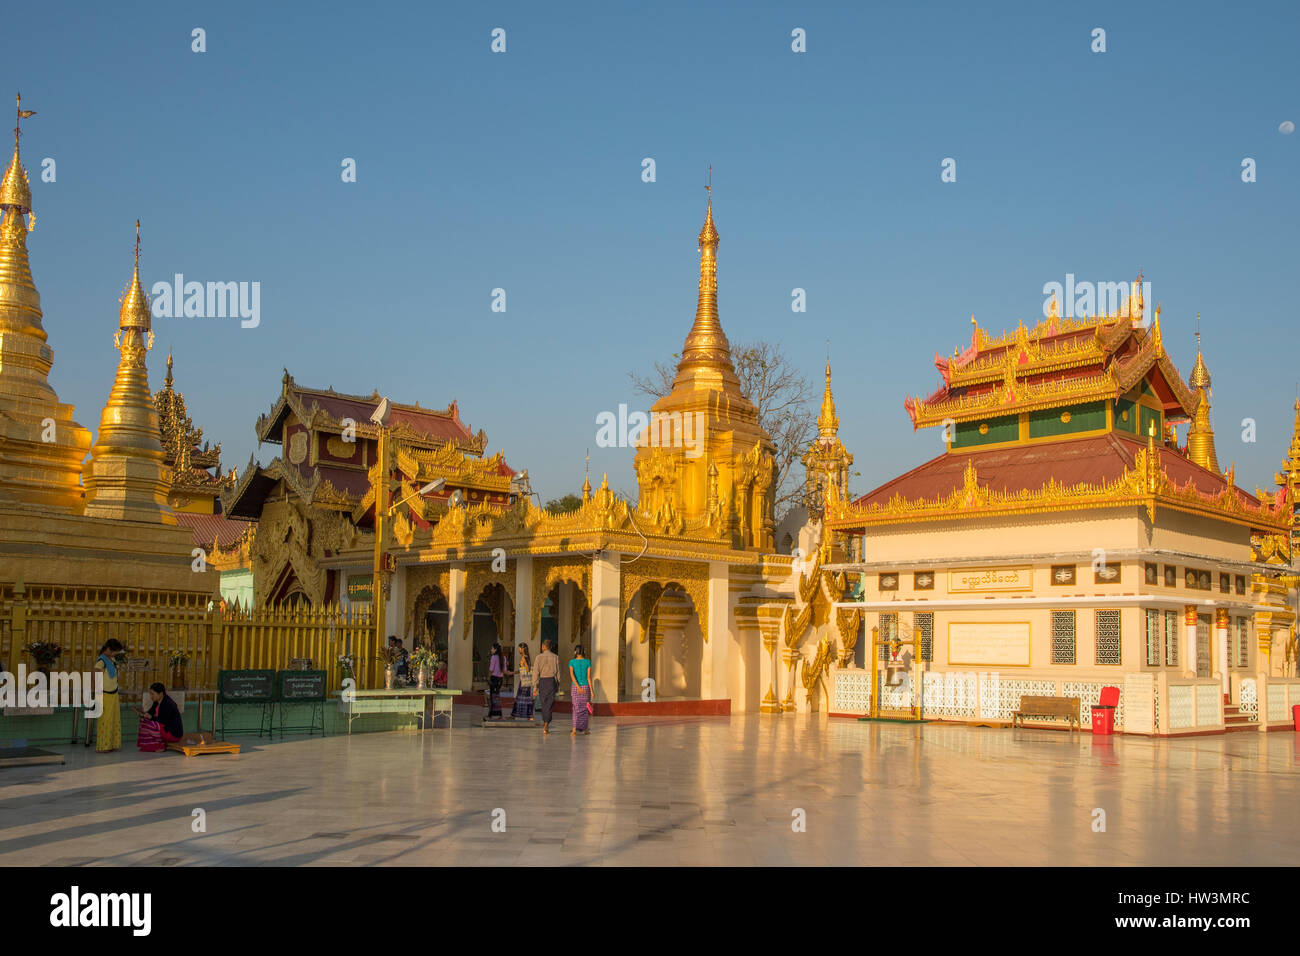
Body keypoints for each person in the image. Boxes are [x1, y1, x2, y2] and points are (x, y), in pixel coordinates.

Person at [93, 639, 124, 752]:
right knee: (105, 720)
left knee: (113, 719)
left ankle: (112, 744)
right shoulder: (101, 660)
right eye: (115, 651)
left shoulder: (112, 659)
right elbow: (95, 674)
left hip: (113, 693)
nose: (116, 653)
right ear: (109, 649)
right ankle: (103, 746)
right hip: (105, 694)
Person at [135, 682, 184, 752]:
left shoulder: (168, 703)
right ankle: (153, 744)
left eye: (153, 694)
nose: (151, 696)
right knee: (143, 722)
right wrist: (142, 713)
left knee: (148, 725)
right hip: (164, 728)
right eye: (150, 694)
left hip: (173, 733)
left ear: (160, 694)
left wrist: (150, 717)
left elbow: (163, 721)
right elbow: (150, 713)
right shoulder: (157, 702)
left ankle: (160, 746)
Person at [534, 639, 561, 735]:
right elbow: (558, 673)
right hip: (551, 681)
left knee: (544, 702)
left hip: (542, 681)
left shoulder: (538, 657)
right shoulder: (555, 657)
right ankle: (546, 723)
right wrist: (558, 684)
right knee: (550, 703)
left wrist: (535, 687)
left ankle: (546, 722)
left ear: (544, 646)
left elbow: (535, 673)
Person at [569, 644, 593, 736]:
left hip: (575, 687)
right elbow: (588, 677)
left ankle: (574, 729)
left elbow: (572, 675)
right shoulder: (588, 662)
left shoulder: (572, 662)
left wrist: (578, 687)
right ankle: (585, 729)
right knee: (584, 709)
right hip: (585, 687)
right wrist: (591, 691)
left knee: (576, 708)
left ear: (575, 652)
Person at [510, 642, 534, 721]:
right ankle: (529, 716)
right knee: (526, 698)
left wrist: (525, 666)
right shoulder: (526, 657)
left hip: (524, 681)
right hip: (525, 680)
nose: (518, 649)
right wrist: (513, 672)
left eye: (519, 648)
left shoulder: (524, 658)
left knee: (522, 698)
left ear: (523, 649)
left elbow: (527, 669)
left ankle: (528, 716)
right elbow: (522, 669)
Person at [486, 642, 506, 719]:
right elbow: (504, 670)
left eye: (492, 648)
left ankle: (491, 714)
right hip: (500, 679)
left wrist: (488, 677)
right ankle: (499, 714)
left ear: (495, 649)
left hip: (494, 678)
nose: (491, 650)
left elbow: (491, 669)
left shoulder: (493, 657)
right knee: (497, 697)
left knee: (492, 697)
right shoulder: (503, 658)